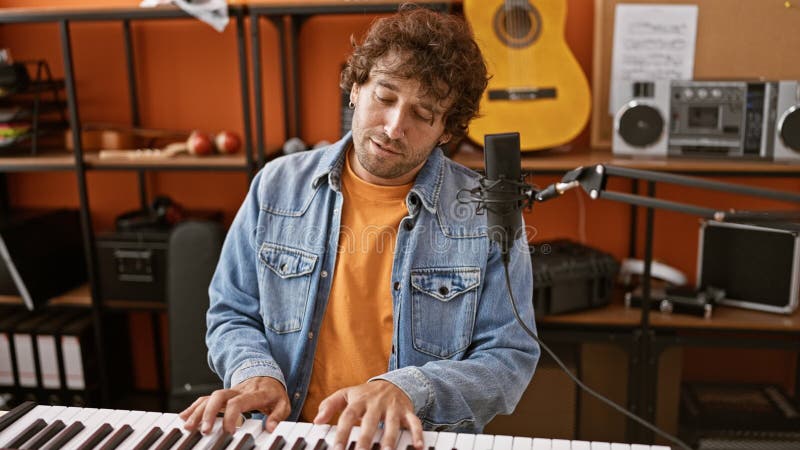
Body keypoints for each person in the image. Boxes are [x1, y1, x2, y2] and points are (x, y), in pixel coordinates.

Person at [179, 4, 539, 450]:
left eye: (422, 115)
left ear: (446, 130)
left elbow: (509, 357)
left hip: (415, 441)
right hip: (288, 435)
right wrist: (256, 372)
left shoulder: (489, 211)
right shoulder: (276, 185)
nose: (393, 127)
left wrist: (408, 389)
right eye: (385, 98)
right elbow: (233, 311)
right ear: (355, 89)